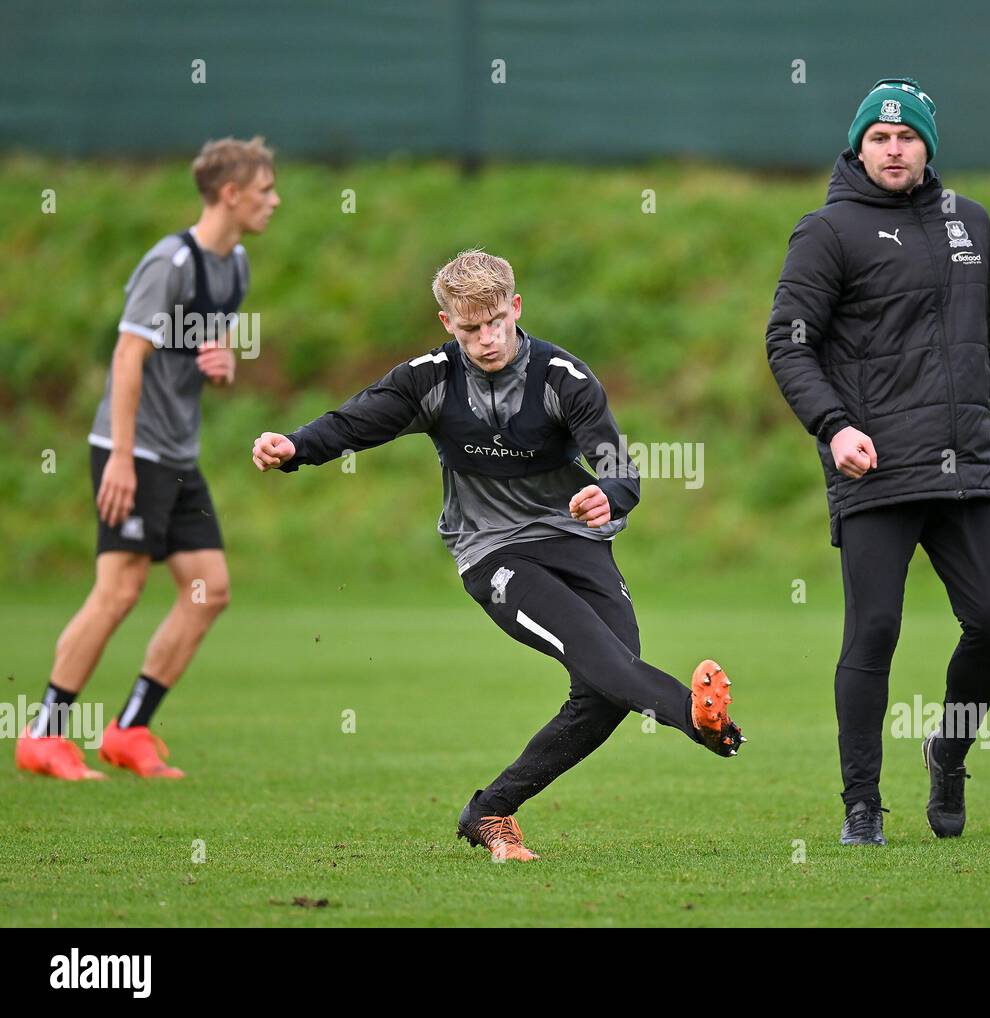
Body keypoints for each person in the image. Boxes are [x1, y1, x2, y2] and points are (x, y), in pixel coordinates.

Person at [251, 249, 743, 862]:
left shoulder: (565, 378)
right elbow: (355, 423)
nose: (485, 340)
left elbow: (619, 467)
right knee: (601, 658)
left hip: (573, 541)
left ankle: (491, 809)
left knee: (606, 687)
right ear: (446, 324)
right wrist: (293, 447)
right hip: (492, 554)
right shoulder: (429, 379)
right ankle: (695, 717)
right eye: (469, 328)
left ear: (515, 308)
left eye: (494, 324)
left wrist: (606, 494)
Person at [766, 78, 990, 845]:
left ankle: (948, 752)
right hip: (873, 468)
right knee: (874, 631)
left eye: (907, 136)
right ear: (858, 146)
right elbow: (788, 343)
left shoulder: (970, 222)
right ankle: (862, 807)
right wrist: (835, 427)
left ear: (928, 144)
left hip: (965, 463)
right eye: (878, 138)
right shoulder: (827, 232)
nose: (894, 147)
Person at [16, 137, 279, 780]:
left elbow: (208, 351)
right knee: (121, 589)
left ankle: (129, 730)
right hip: (131, 450)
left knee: (209, 591)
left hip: (179, 455)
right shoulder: (170, 263)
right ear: (230, 194)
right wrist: (124, 460)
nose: (274, 201)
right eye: (265, 190)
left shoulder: (235, 265)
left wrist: (224, 366)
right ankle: (44, 735)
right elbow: (127, 358)